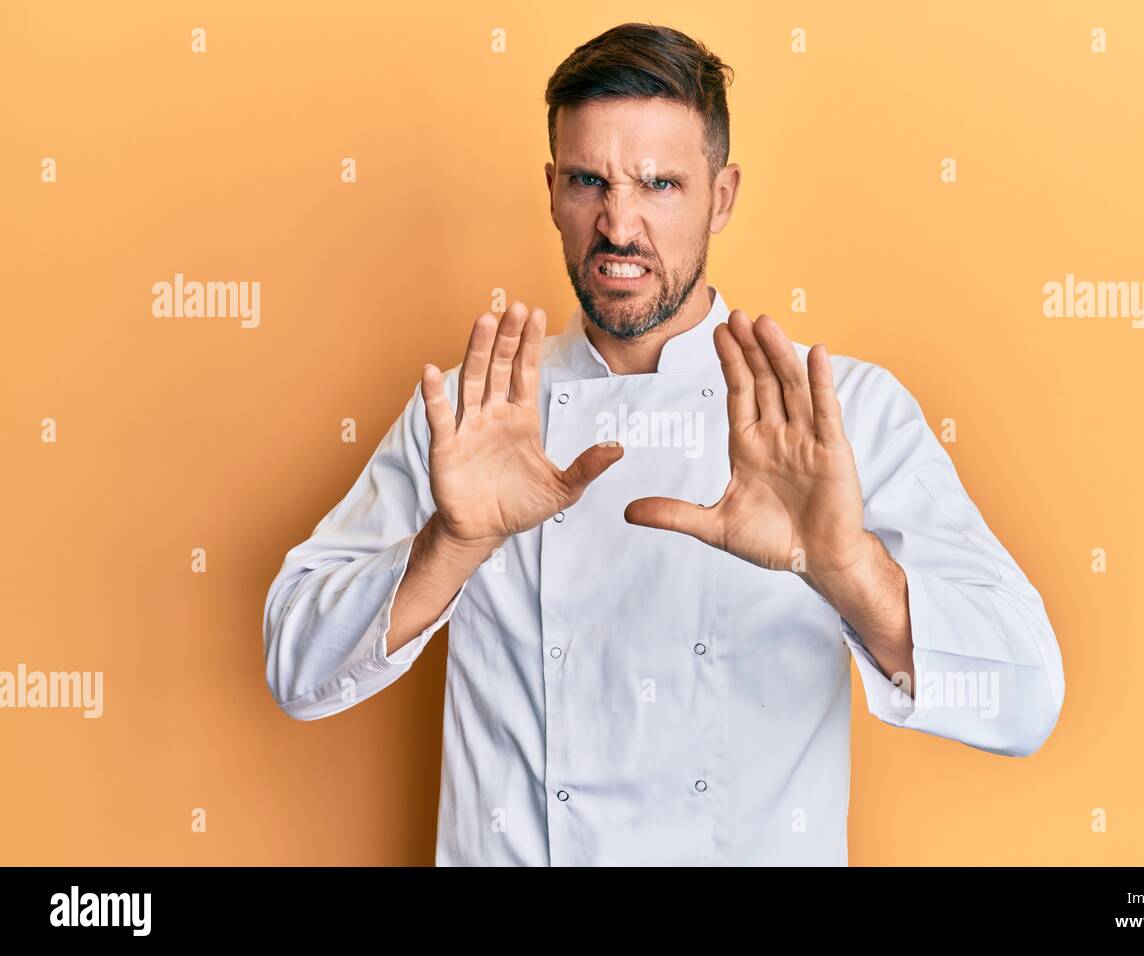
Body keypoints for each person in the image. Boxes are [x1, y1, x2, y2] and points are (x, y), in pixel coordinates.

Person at [262, 22, 1065, 866]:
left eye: (660, 184)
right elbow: (297, 670)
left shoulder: (837, 416)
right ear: (550, 190)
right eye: (588, 181)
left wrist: (843, 568)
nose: (619, 224)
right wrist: (450, 546)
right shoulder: (479, 412)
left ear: (722, 195)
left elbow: (1026, 699)